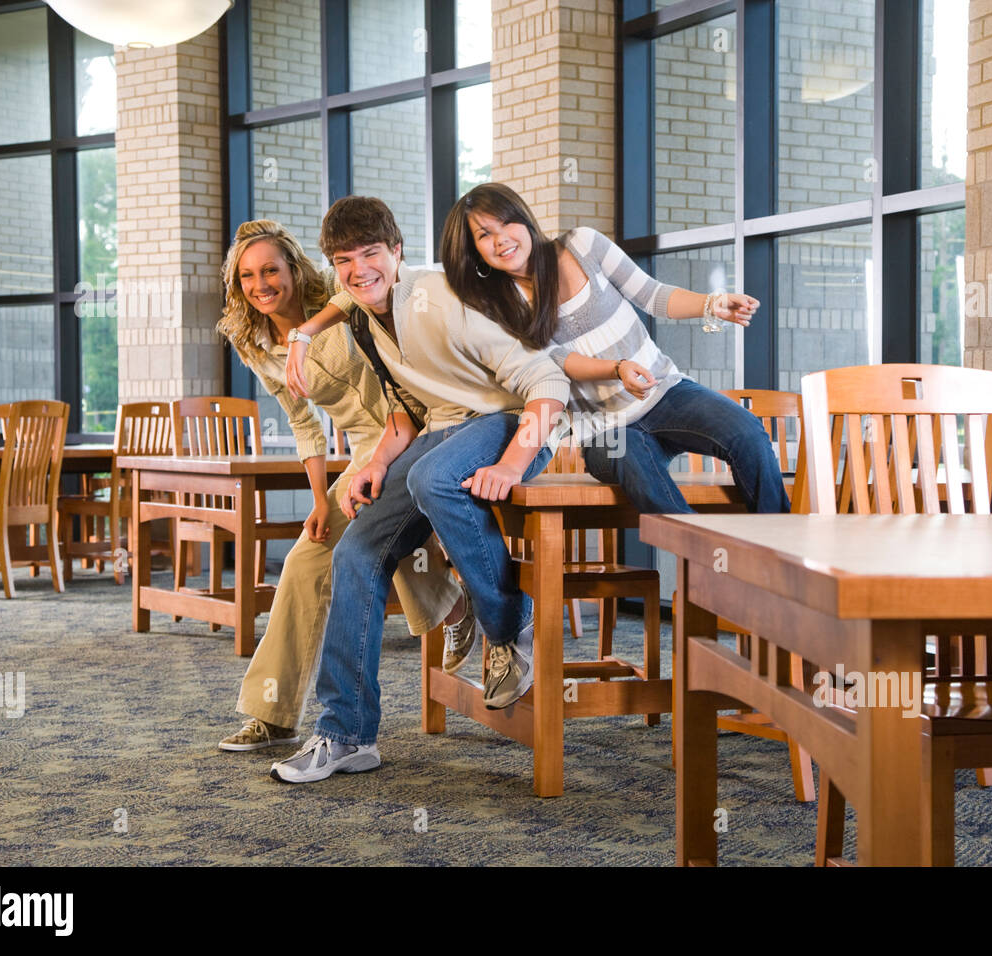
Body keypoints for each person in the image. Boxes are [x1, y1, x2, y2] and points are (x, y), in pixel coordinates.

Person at [270, 197, 569, 784]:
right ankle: (346, 734)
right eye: (344, 260)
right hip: (444, 433)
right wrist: (374, 466)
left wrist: (511, 464)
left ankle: (508, 626)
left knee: (434, 477)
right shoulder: (360, 318)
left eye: (371, 254)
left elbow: (547, 380)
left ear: (398, 252)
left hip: (511, 423)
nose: (359, 271)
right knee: (354, 549)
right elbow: (408, 413)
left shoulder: (440, 299)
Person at [213, 219, 471, 753]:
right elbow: (305, 425)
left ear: (292, 268)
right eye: (248, 276)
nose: (262, 284)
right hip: (362, 451)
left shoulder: (339, 301)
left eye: (271, 270)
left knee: (372, 530)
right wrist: (317, 502)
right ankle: (273, 712)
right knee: (306, 560)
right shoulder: (254, 342)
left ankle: (457, 611)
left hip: (416, 429)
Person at [438, 182, 791, 516]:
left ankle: (779, 557)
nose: (501, 240)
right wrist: (617, 368)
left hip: (664, 392)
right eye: (485, 235)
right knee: (634, 456)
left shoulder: (583, 245)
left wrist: (710, 304)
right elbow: (557, 363)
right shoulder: (499, 307)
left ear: (524, 218)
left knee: (747, 433)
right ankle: (698, 562)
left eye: (505, 223)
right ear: (475, 252)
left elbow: (651, 294)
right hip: (603, 429)